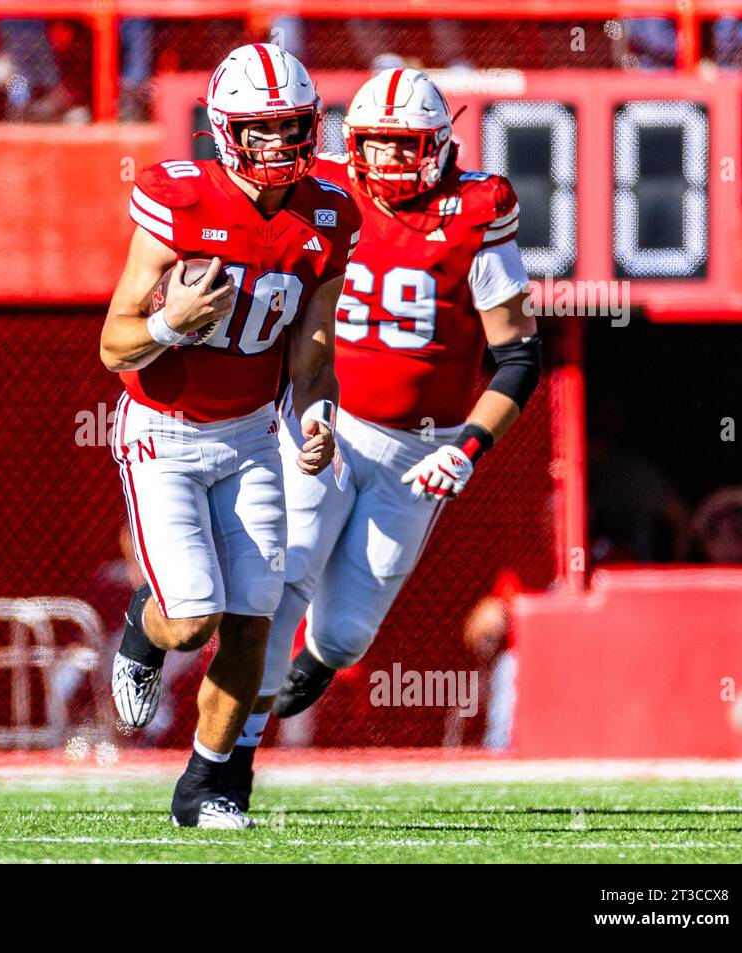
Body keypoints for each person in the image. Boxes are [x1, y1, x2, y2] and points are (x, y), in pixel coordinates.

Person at [228, 68, 542, 809]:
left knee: (343, 638)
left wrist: (467, 446)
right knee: (284, 572)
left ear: (440, 144)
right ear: (353, 143)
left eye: (408, 147)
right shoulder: (325, 190)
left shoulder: (477, 209)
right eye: (379, 146)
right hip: (325, 421)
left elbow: (521, 354)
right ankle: (227, 757)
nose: (393, 164)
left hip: (417, 450)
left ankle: (298, 668)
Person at [100, 43, 359, 828]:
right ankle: (144, 632)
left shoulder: (328, 213)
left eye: (291, 127)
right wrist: (170, 323)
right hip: (165, 430)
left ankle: (207, 785)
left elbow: (313, 352)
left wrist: (317, 420)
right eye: (262, 128)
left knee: (258, 614)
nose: (281, 145)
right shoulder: (177, 200)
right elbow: (114, 344)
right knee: (192, 618)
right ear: (224, 130)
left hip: (251, 435)